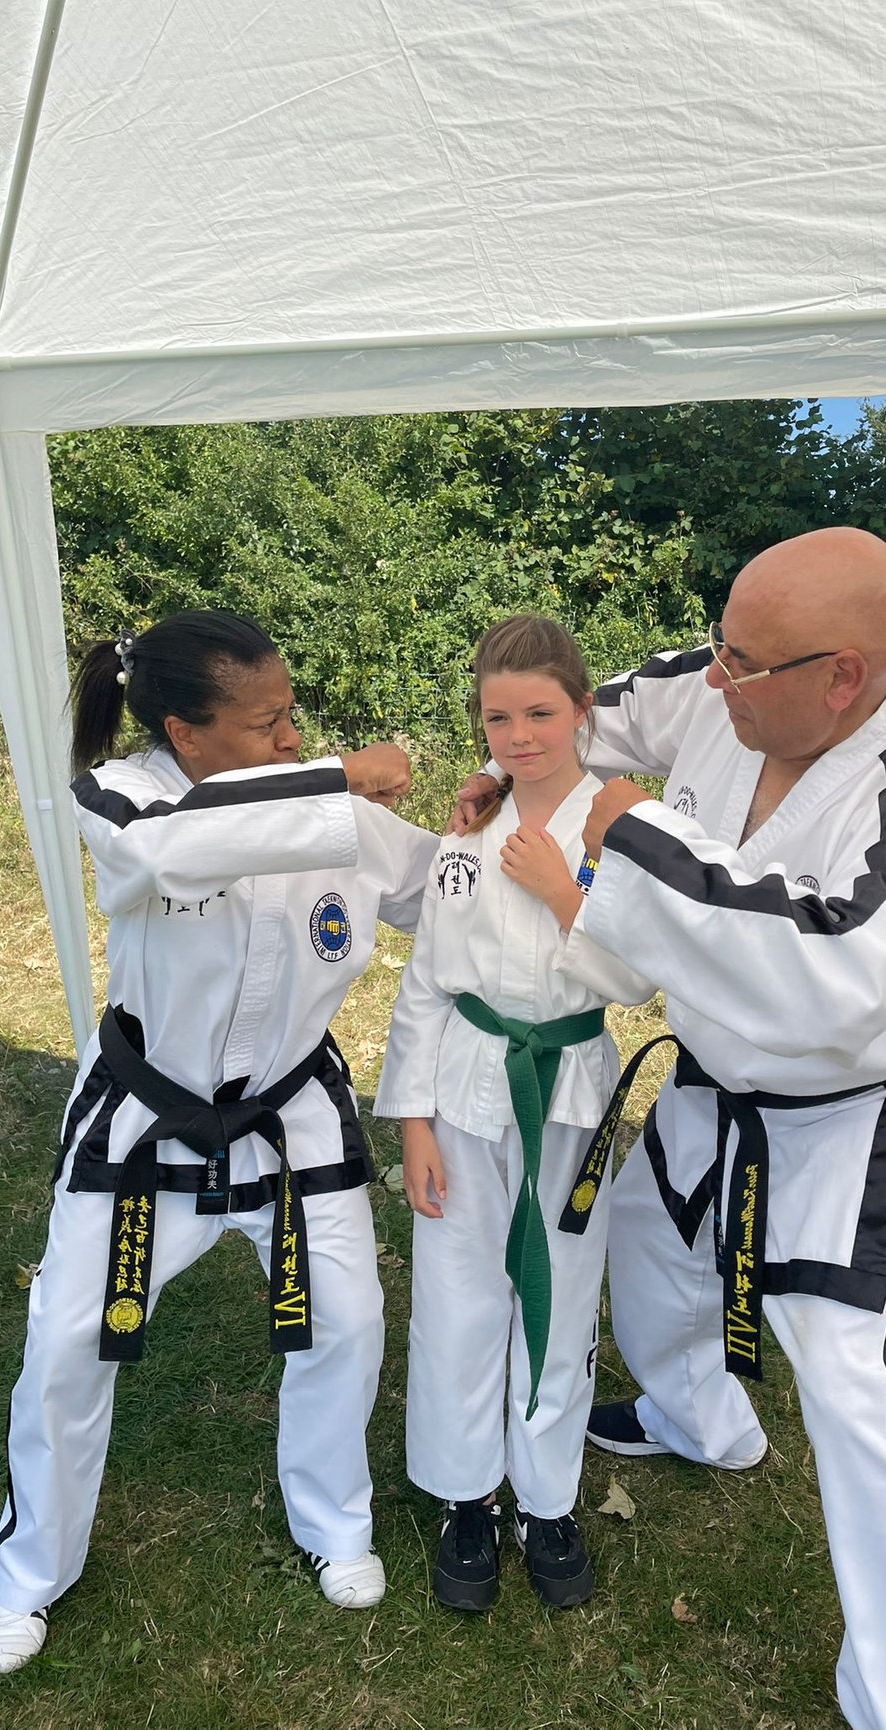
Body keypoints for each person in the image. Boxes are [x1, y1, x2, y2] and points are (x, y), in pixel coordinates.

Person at [455, 530, 886, 1729]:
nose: (713, 675)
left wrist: (635, 832)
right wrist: (514, 770)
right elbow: (577, 710)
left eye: (742, 661)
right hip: (719, 1068)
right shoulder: (719, 685)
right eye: (718, 642)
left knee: (851, 1380)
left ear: (842, 675)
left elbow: (839, 974)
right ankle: (694, 1416)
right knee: (650, 1247)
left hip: (870, 1103)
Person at [0, 609, 439, 1676]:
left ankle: (335, 1523)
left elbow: (448, 888)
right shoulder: (122, 800)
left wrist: (508, 811)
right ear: (185, 733)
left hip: (289, 1110)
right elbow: (174, 848)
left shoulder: (335, 813)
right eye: (267, 722)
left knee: (345, 1322)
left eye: (293, 715)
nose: (292, 737)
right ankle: (29, 1574)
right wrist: (333, 777)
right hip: (149, 1116)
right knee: (68, 1342)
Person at [373, 615, 653, 1613]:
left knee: (562, 1292)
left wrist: (566, 897)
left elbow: (640, 974)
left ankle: (546, 1499)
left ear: (581, 710)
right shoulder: (466, 833)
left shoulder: (617, 827)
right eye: (498, 718)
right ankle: (466, 1494)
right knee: (459, 1291)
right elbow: (426, 982)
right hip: (463, 1086)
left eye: (539, 712)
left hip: (568, 1086)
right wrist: (410, 1119)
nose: (519, 735)